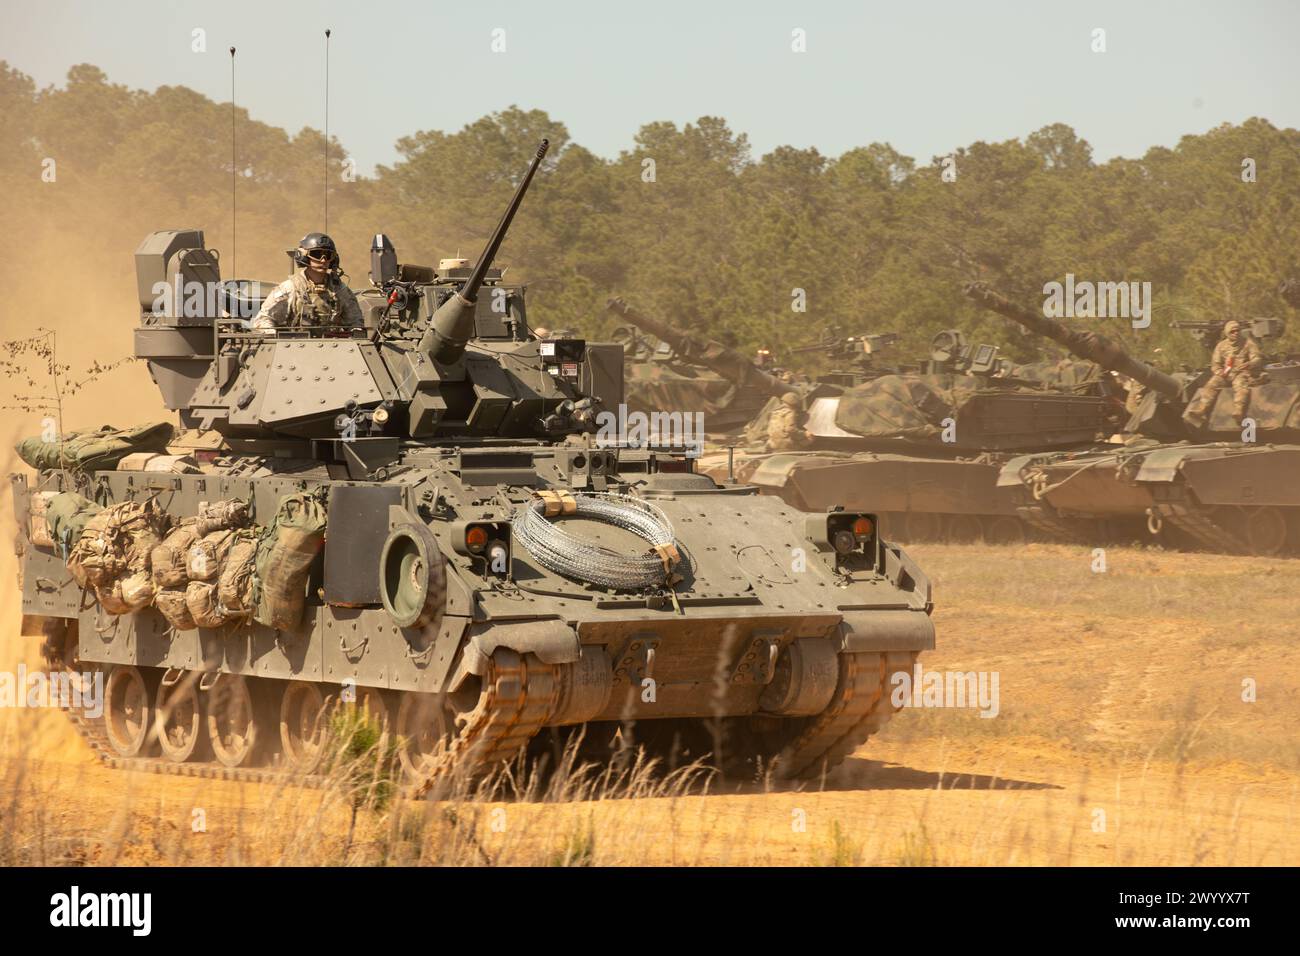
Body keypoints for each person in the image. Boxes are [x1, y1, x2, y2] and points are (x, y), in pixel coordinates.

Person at [251, 233, 364, 332]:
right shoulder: (290, 288)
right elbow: (263, 320)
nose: (323, 260)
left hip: (333, 348)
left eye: (328, 255)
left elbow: (355, 323)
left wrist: (355, 333)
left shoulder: (339, 290)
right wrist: (277, 339)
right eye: (317, 255)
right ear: (304, 256)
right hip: (294, 349)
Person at [1183, 320, 1263, 427]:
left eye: (1238, 330)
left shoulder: (1248, 343)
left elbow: (1257, 358)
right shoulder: (1221, 346)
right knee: (1212, 383)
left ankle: (1238, 411)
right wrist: (1219, 372)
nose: (1236, 333)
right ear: (1227, 333)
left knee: (1241, 385)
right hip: (1226, 374)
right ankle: (1201, 410)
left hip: (1241, 372)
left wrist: (1249, 364)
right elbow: (1215, 364)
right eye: (1232, 331)